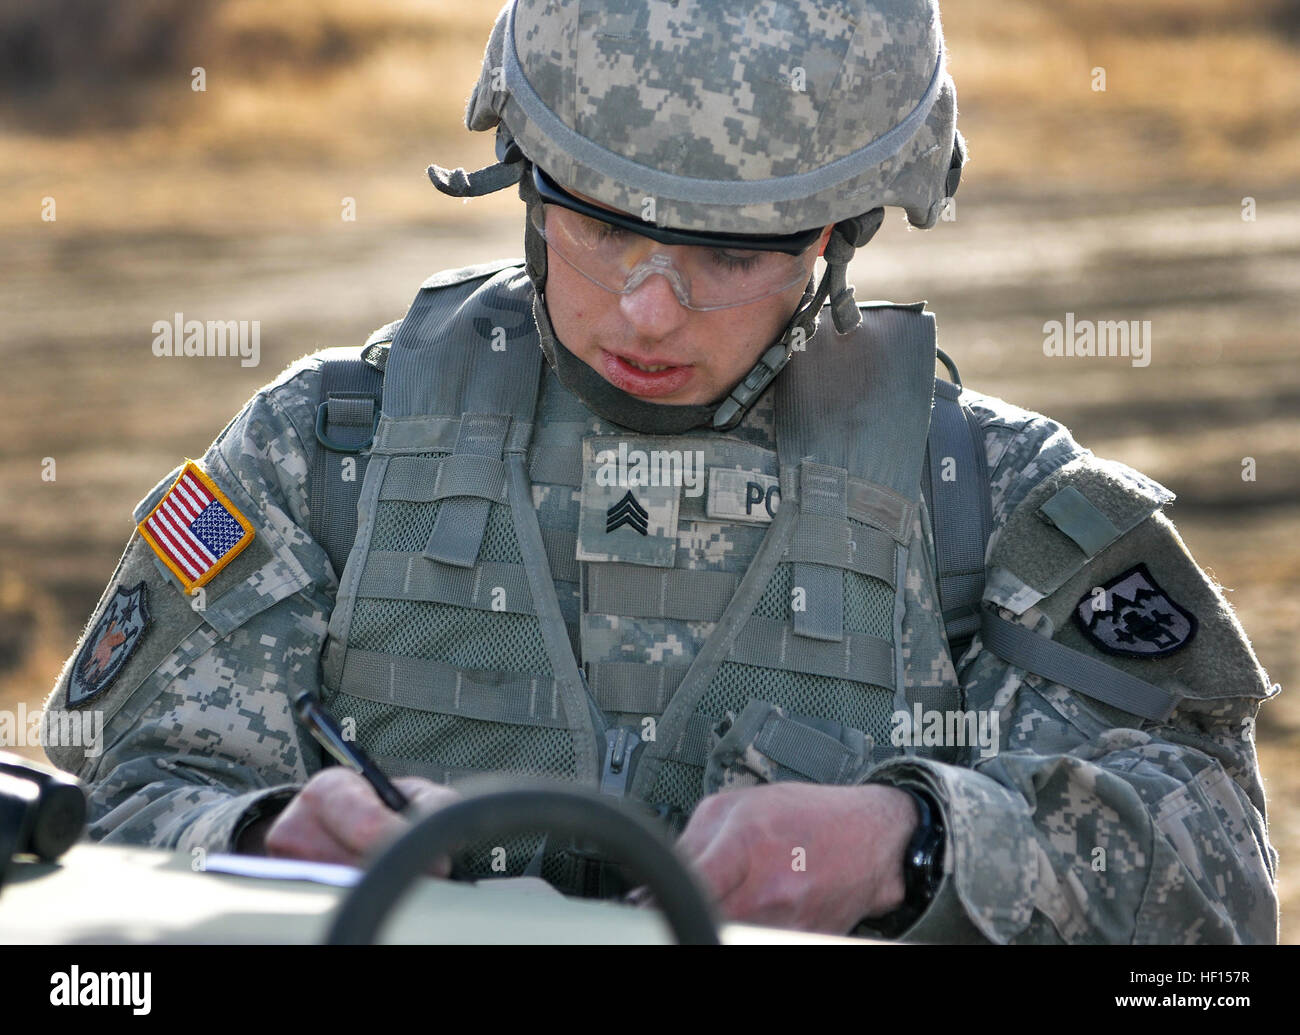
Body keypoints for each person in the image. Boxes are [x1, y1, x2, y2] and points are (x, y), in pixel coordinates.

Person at [41, 0, 1279, 942]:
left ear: (840, 234)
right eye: (600, 225)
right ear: (522, 185)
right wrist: (251, 836)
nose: (647, 311)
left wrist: (913, 844)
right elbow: (82, 838)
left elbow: (1216, 884)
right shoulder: (322, 453)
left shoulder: (979, 497)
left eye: (727, 257)